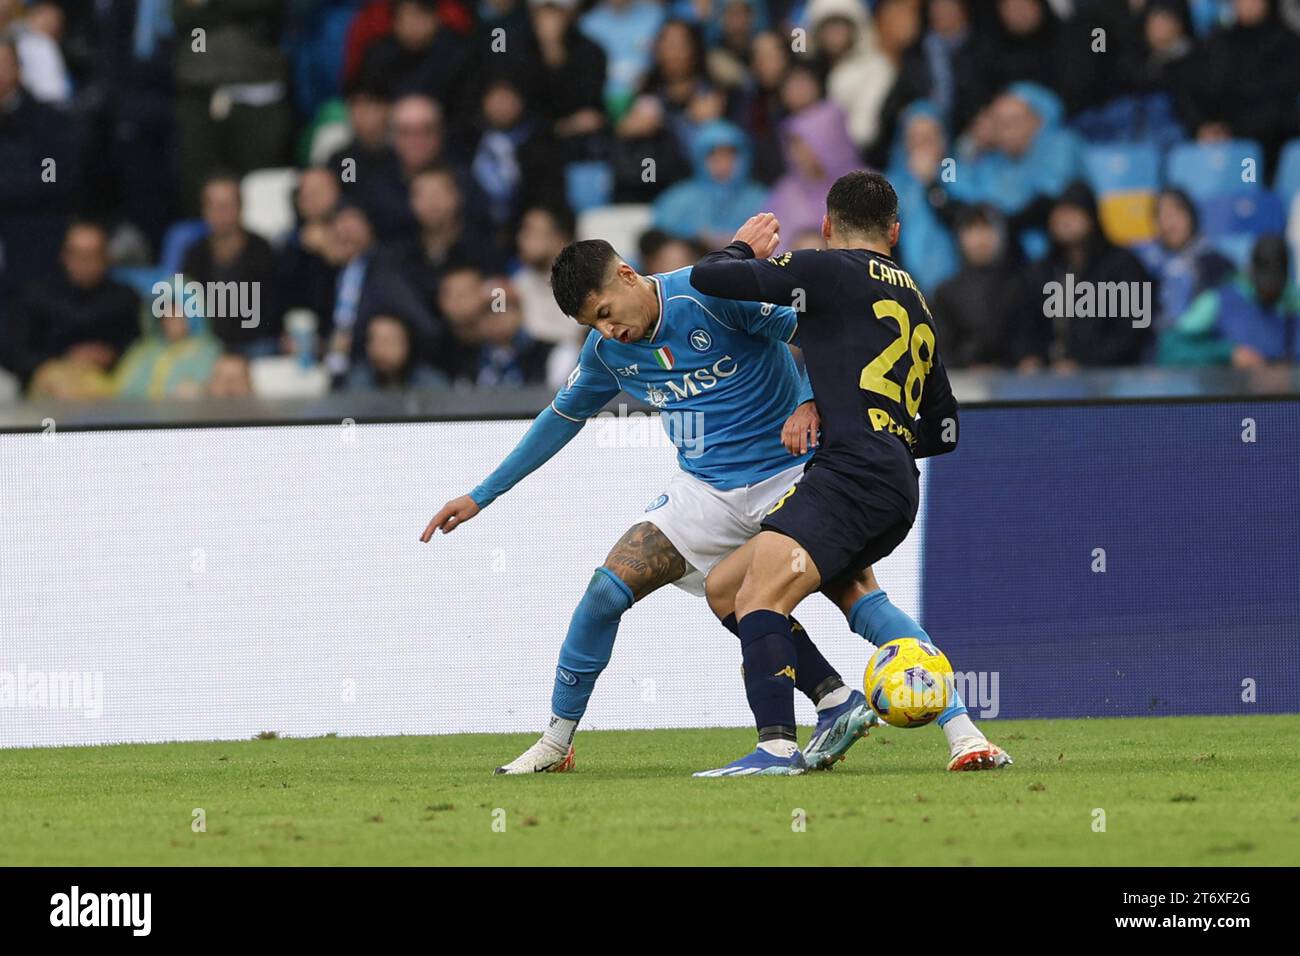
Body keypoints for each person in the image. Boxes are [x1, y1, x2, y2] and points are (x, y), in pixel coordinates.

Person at [422, 232, 1007, 775]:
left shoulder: (705, 296)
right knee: (607, 592)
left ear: (627, 276)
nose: (607, 330)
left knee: (856, 596)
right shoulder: (606, 355)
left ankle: (964, 734)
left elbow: (813, 336)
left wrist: (810, 403)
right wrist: (480, 496)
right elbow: (560, 420)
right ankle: (557, 743)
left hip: (791, 474)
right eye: (590, 325)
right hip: (705, 490)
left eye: (604, 313)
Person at [686, 173, 1005, 776]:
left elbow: (710, 279)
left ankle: (777, 749)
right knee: (726, 586)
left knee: (760, 594)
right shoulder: (917, 298)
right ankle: (940, 725)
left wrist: (742, 248)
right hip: (896, 484)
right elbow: (944, 428)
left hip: (849, 473)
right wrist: (856, 419)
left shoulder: (827, 269)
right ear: (896, 231)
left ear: (828, 226)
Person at [0, 222, 140, 388]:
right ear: (65, 256)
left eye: (92, 255)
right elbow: (15, 353)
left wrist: (110, 355)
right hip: (48, 382)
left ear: (106, 258)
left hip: (114, 381)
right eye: (78, 254)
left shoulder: (125, 298)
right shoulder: (35, 296)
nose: (85, 263)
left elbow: (139, 346)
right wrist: (63, 359)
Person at [1158, 235, 1299, 367]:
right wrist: (1227, 354)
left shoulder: (1293, 301)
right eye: (1264, 283)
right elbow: (1169, 348)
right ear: (1250, 271)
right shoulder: (1216, 301)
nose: (1270, 291)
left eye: (1276, 283)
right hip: (1230, 390)